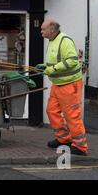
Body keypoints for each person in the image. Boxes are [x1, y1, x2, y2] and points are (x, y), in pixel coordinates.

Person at [36, 19, 88, 156]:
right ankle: (64, 139)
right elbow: (57, 62)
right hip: (58, 84)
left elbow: (72, 61)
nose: (41, 32)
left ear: (52, 30)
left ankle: (80, 146)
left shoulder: (65, 41)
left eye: (43, 29)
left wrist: (51, 69)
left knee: (72, 116)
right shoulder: (53, 41)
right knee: (51, 111)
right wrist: (46, 66)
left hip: (70, 85)